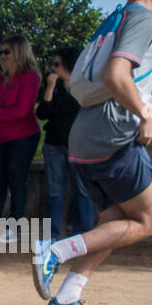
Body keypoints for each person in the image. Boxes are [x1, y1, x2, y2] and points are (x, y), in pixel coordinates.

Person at [32, 0, 152, 305]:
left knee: (116, 223)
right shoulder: (145, 19)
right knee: (149, 220)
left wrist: (149, 100)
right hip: (112, 138)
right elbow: (116, 76)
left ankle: (66, 298)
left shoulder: (117, 17)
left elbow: (114, 81)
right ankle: (54, 252)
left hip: (84, 137)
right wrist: (145, 115)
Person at [0, 35, 42, 235]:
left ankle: (14, 227)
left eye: (7, 52)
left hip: (23, 136)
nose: (3, 56)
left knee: (16, 180)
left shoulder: (30, 77)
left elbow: (23, 110)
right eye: (1, 52)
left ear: (19, 52)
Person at [37, 46, 96, 241]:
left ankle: (84, 233)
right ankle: (53, 234)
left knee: (82, 190)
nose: (52, 68)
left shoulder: (84, 86)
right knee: (55, 191)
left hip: (80, 146)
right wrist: (50, 88)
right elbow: (42, 114)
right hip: (55, 144)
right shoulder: (53, 87)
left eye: (57, 64)